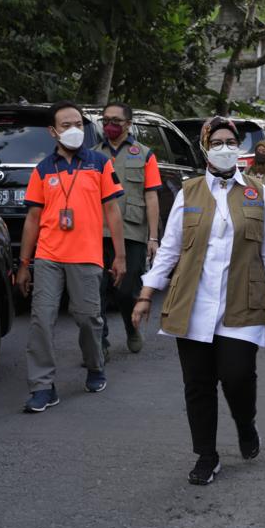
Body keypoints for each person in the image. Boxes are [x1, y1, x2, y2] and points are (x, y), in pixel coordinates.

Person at [133, 116, 265, 486]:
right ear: (205, 148)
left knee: (237, 376)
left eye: (230, 141)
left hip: (243, 301)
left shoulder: (256, 191)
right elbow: (170, 250)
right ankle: (207, 454)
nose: (225, 147)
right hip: (193, 303)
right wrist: (145, 294)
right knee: (198, 385)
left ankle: (245, 423)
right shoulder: (189, 192)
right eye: (217, 142)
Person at [16, 100, 126, 413]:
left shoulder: (99, 164)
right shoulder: (43, 169)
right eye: (66, 125)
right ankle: (42, 386)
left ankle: (95, 365)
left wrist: (120, 257)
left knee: (88, 319)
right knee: (41, 321)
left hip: (87, 256)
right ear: (53, 132)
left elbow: (113, 213)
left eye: (78, 124)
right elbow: (33, 220)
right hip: (48, 256)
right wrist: (24, 265)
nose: (73, 130)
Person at [93, 102, 161, 357]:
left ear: (128, 124)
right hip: (97, 233)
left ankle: (131, 328)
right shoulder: (92, 154)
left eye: (116, 121)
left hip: (132, 233)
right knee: (96, 290)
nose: (110, 125)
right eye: (106, 120)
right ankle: (100, 343)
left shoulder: (143, 154)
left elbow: (151, 197)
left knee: (125, 291)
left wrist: (153, 237)